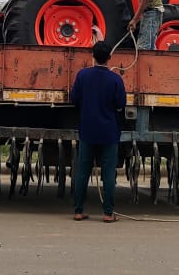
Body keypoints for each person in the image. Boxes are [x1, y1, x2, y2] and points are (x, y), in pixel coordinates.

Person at [70, 41, 127, 223]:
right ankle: (108, 213)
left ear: (92, 56)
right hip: (109, 132)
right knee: (108, 173)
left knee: (82, 172)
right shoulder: (116, 79)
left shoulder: (82, 75)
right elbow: (121, 104)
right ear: (110, 57)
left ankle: (79, 211)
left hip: (87, 130)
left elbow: (74, 99)